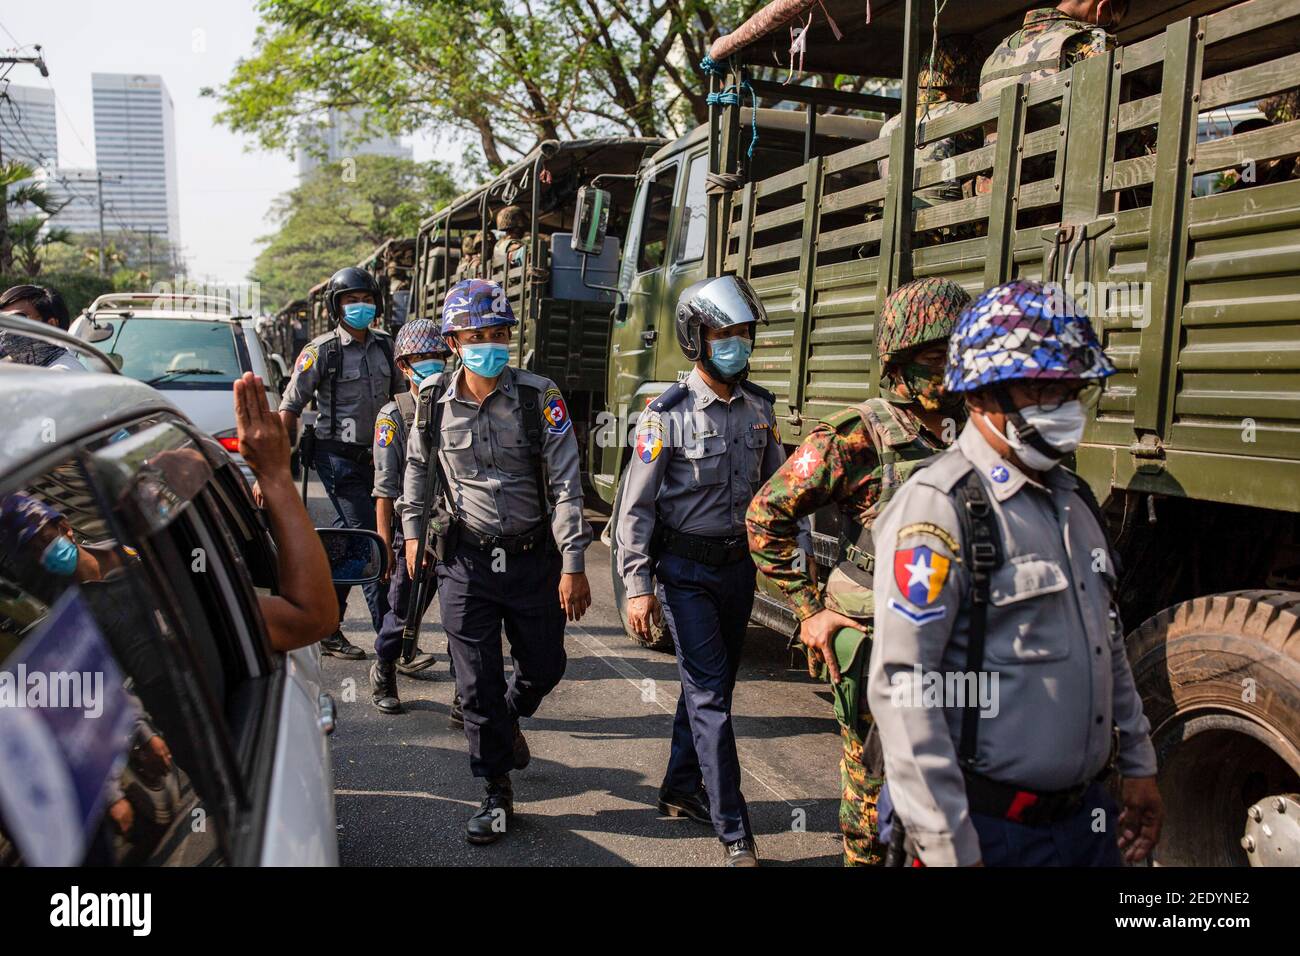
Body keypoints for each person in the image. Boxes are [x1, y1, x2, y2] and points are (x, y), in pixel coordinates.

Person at [866, 278, 1164, 866]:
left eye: (1070, 391)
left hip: (1083, 826)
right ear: (980, 395)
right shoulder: (940, 507)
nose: (1062, 409)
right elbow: (905, 691)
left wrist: (1140, 762)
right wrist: (951, 849)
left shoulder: (1074, 503)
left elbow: (1108, 644)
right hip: (985, 830)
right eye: (1039, 390)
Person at [745, 277, 970, 866]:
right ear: (899, 362)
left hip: (961, 643)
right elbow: (766, 516)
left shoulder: (978, 430)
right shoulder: (860, 436)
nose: (949, 372)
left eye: (958, 354)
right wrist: (809, 609)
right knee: (873, 794)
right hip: (876, 640)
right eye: (932, 357)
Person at [615, 274, 809, 867]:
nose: (738, 344)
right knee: (711, 698)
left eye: (745, 334)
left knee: (711, 687)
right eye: (725, 334)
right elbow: (635, 507)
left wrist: (799, 573)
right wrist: (638, 588)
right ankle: (735, 831)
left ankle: (679, 788)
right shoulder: (664, 415)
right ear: (698, 338)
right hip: (684, 571)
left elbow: (782, 497)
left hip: (736, 572)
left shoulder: (759, 409)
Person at [398, 278, 591, 845]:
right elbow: (416, 470)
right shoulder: (432, 401)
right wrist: (413, 536)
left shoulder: (539, 395)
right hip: (467, 561)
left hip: (534, 558)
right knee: (476, 685)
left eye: (498, 333)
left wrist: (574, 563)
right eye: (476, 335)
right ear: (454, 342)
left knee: (545, 667)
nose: (489, 343)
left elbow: (567, 483)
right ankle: (494, 792)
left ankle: (505, 727)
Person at [279, 266, 399, 660]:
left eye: (366, 299)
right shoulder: (321, 351)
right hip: (337, 459)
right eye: (351, 300)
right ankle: (392, 642)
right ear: (337, 306)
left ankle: (329, 627)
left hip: (379, 460)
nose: (359, 306)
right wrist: (278, 467)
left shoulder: (387, 347)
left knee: (354, 541)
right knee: (371, 543)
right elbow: (290, 406)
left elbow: (402, 403)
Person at [370, 318, 450, 714]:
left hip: (455, 528)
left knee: (464, 620)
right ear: (404, 365)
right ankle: (384, 669)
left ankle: (466, 695)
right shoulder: (394, 415)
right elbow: (385, 490)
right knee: (402, 612)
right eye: (421, 358)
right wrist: (386, 543)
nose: (431, 364)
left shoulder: (457, 404)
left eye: (437, 356)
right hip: (412, 529)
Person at [875, 40, 982, 214]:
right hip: (945, 219)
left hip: (892, 219)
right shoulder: (963, 113)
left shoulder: (889, 126)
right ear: (966, 80)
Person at [978, 1, 1124, 104]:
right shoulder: (1093, 39)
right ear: (1102, 7)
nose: (1110, 28)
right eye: (1112, 22)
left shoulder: (994, 55)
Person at [0, 284, 85, 371]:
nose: (5, 330)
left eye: (17, 319)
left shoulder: (62, 373)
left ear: (50, 326)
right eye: (3, 321)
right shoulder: (25, 371)